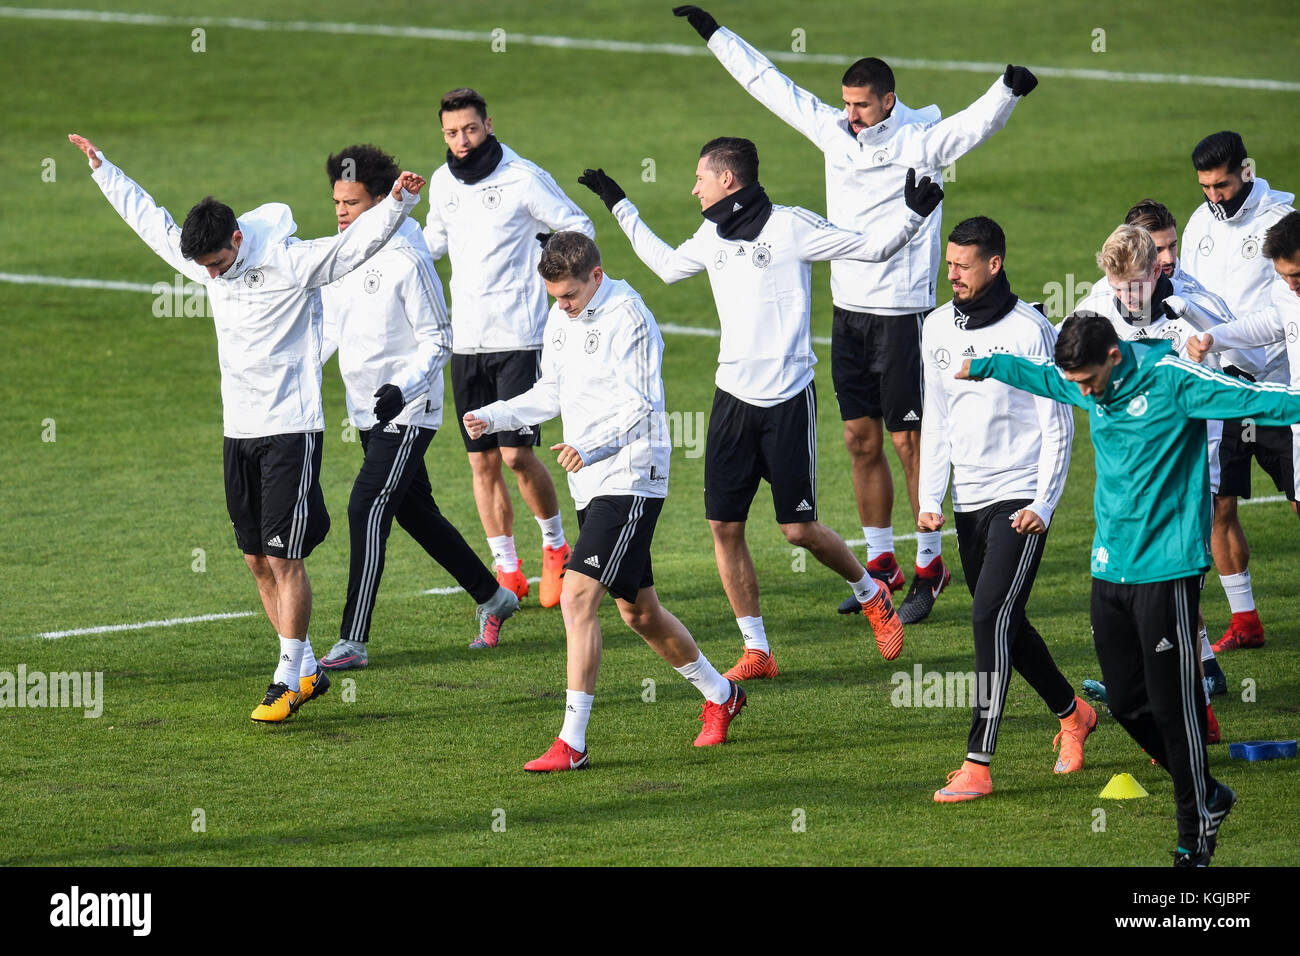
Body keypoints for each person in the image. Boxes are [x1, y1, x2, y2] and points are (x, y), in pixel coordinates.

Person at [672, 5, 1038, 623]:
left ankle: (929, 563)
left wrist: (1007, 89)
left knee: (908, 439)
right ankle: (882, 563)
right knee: (859, 439)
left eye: (862, 106)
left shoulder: (922, 141)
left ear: (889, 102)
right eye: (846, 103)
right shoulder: (832, 132)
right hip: (849, 311)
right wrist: (716, 34)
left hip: (904, 313)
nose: (849, 115)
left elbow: (976, 126)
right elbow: (770, 86)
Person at [68, 133, 425, 721]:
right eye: (202, 266)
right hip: (239, 432)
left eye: (216, 263)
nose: (210, 274)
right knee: (256, 560)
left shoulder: (292, 262)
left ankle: (286, 676)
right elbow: (150, 223)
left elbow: (354, 248)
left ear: (237, 239)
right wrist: (104, 170)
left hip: (291, 429)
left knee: (286, 560)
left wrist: (398, 204)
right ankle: (306, 667)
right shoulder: (206, 261)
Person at [578, 136, 944, 678]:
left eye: (699, 177)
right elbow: (667, 266)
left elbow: (870, 248)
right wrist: (619, 204)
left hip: (789, 401)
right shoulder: (710, 233)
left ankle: (870, 593)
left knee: (798, 531)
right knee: (724, 526)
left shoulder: (793, 226)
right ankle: (757, 650)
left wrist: (912, 216)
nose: (692, 187)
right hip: (732, 401)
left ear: (729, 179)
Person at [958, 312, 1300, 865]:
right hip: (1108, 567)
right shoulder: (1083, 380)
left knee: (1173, 707)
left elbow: (1257, 399)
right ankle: (1207, 791)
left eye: (1090, 382)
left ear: (1114, 357)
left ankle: (1194, 834)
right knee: (1126, 701)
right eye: (1079, 387)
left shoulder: (1175, 380)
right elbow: (1043, 375)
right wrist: (988, 365)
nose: (1087, 394)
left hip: (1167, 570)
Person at [463, 232, 744, 771]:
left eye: (569, 295)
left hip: (632, 474)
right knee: (638, 611)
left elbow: (641, 407)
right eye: (554, 298)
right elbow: (552, 392)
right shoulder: (562, 315)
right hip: (587, 476)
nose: (562, 307)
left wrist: (591, 448)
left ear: (595, 275)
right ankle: (722, 695)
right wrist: (495, 415)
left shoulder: (630, 317)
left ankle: (573, 743)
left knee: (576, 597)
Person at [314, 144, 519, 672]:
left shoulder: (407, 257)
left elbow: (438, 338)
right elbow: (330, 327)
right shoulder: (344, 251)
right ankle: (494, 598)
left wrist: (402, 389)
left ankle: (353, 641)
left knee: (367, 506)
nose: (340, 211)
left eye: (352, 202)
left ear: (382, 201)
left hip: (409, 409)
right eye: (337, 200)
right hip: (366, 408)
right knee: (414, 511)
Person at [918, 217, 1093, 802]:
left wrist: (1043, 502)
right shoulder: (937, 326)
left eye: (963, 265)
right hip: (968, 503)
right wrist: (928, 499)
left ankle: (978, 762)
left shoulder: (1029, 330)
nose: (953, 274)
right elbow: (936, 417)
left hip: (1018, 499)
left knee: (988, 617)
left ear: (994, 264)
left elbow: (1057, 422)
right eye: (949, 264)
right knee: (1006, 625)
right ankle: (1074, 714)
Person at [1075, 219, 1261, 730]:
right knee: (1137, 581)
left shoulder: (1188, 316)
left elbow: (1247, 361)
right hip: (1126, 475)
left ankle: (1190, 700)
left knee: (1173, 580)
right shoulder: (1093, 311)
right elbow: (1064, 366)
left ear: (1157, 271)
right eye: (1118, 287)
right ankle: (1190, 676)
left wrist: (1208, 358)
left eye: (1136, 284)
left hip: (1185, 469)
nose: (1128, 296)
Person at [424, 88, 594, 609]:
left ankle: (555, 545)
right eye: (452, 132)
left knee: (518, 455)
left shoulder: (522, 177)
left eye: (470, 129)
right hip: (466, 341)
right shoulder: (441, 182)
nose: (461, 141)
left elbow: (577, 226)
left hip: (520, 338)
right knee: (482, 463)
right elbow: (431, 244)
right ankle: (507, 569)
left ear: (488, 125)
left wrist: (549, 260)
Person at [1180, 131, 1297, 653]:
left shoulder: (1281, 224)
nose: (1214, 196)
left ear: (1245, 172)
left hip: (1274, 391)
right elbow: (1184, 290)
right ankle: (1245, 620)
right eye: (1205, 186)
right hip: (1220, 390)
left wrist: (1223, 338)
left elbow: (1279, 318)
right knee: (1219, 505)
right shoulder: (1200, 224)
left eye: (1222, 184)